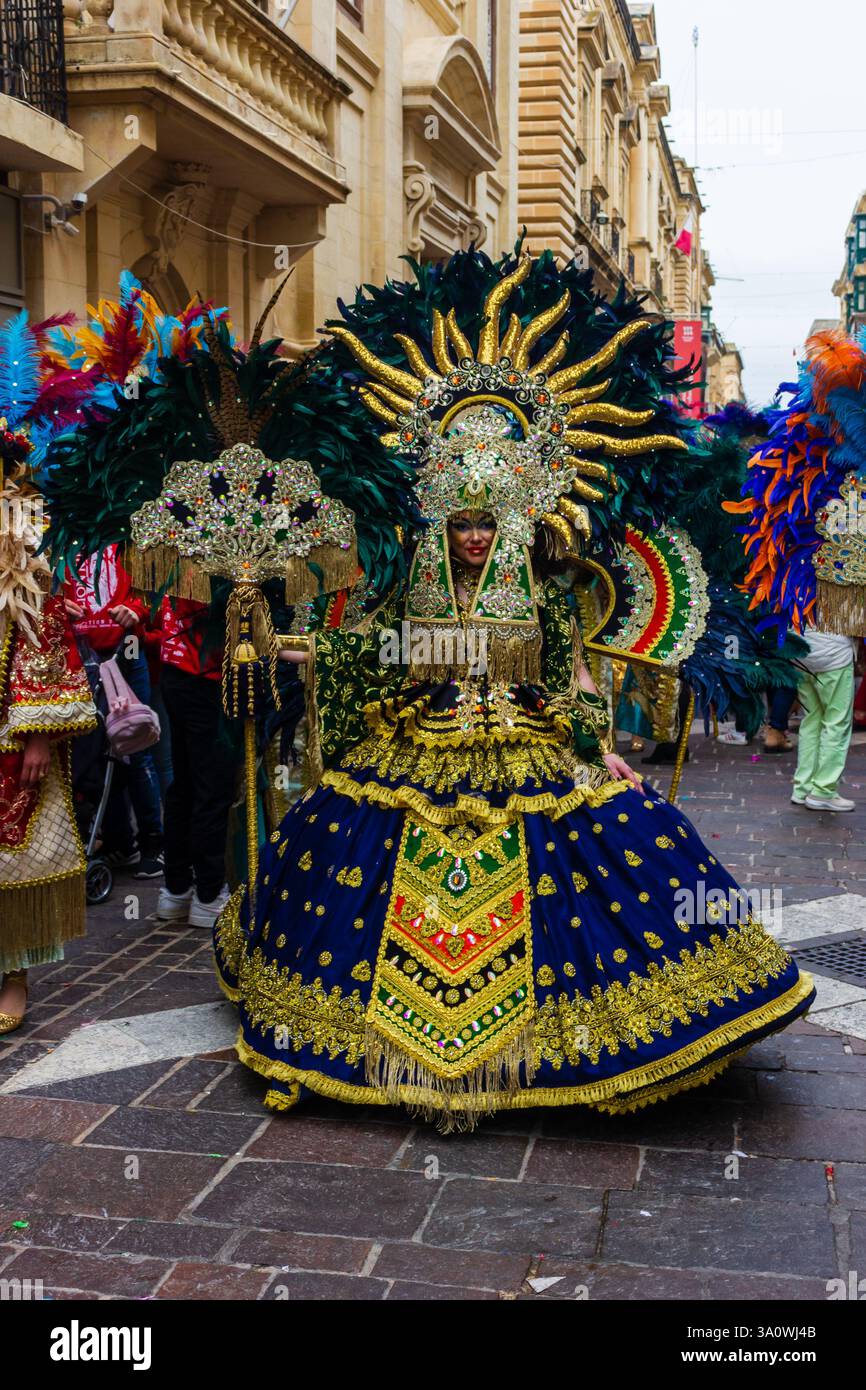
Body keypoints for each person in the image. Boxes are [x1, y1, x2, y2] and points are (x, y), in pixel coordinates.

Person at [213, 323, 814, 1130]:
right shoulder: (413, 599)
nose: (472, 538)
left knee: (624, 851)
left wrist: (598, 749)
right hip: (414, 748)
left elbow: (571, 682)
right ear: (440, 522)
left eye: (486, 525)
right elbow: (370, 653)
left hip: (525, 751)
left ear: (512, 524)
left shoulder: (543, 600)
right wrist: (269, 633)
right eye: (459, 523)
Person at [0, 487, 97, 1032]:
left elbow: (46, 636)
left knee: (16, 859)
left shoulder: (27, 555)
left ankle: (15, 973)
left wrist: (38, 733)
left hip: (11, 731)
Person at [64, 544, 164, 876]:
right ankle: (121, 842)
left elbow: (154, 587)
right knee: (92, 749)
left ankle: (154, 843)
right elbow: (43, 591)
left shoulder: (125, 534)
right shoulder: (61, 538)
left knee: (135, 745)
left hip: (127, 651)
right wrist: (56, 606)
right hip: (80, 655)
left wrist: (137, 609)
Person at [156, 596, 238, 927]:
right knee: (211, 787)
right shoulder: (202, 555)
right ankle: (207, 893)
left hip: (179, 670)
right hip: (204, 674)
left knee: (187, 782)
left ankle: (176, 889)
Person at [791, 628, 856, 812]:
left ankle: (803, 788)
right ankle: (823, 791)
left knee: (811, 719)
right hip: (834, 654)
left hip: (801, 649)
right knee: (836, 723)